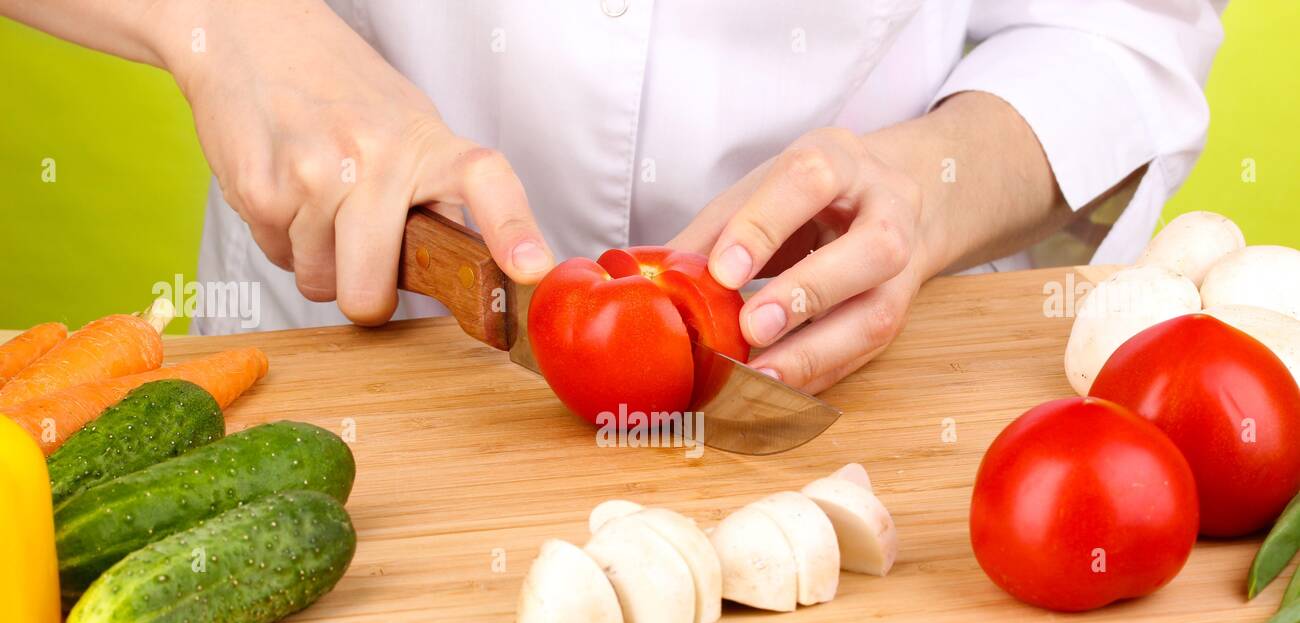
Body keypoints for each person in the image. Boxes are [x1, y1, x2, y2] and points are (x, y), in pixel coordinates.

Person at [5, 0, 1225, 393]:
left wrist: (935, 181)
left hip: (872, 389)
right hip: (347, 341)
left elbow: (1121, 26)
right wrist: (230, 28)